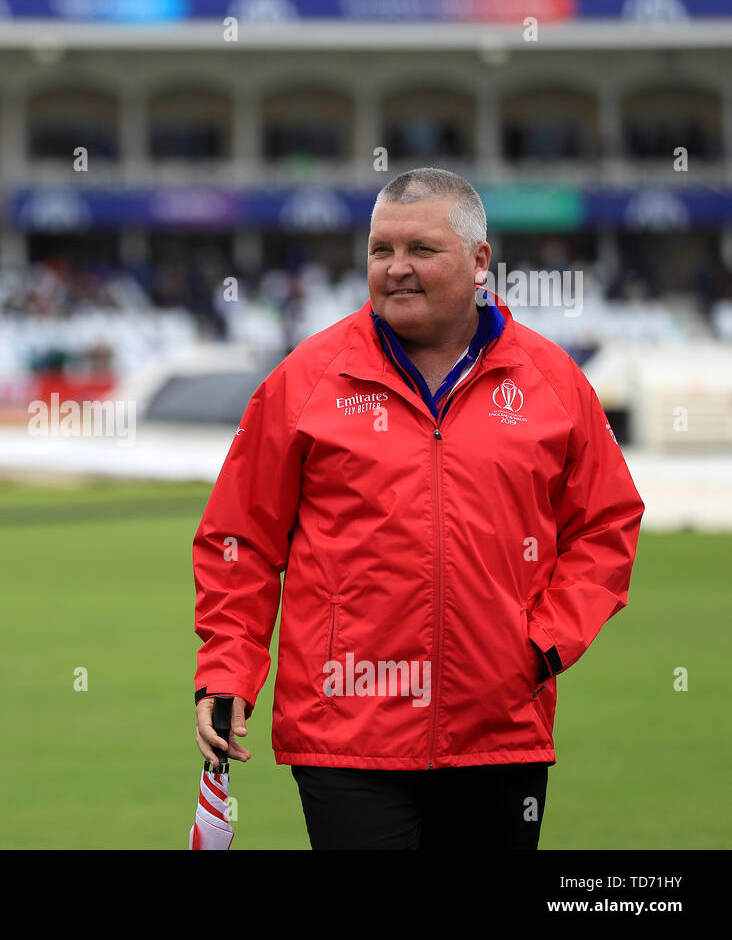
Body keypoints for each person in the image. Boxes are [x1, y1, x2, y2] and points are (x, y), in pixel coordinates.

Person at [191, 167, 644, 849]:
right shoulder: (305, 380)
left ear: (479, 261)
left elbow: (608, 524)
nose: (395, 269)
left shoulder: (552, 382)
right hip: (346, 736)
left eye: (420, 251)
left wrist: (540, 646)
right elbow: (239, 540)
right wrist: (228, 667)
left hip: (500, 733)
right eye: (380, 251)